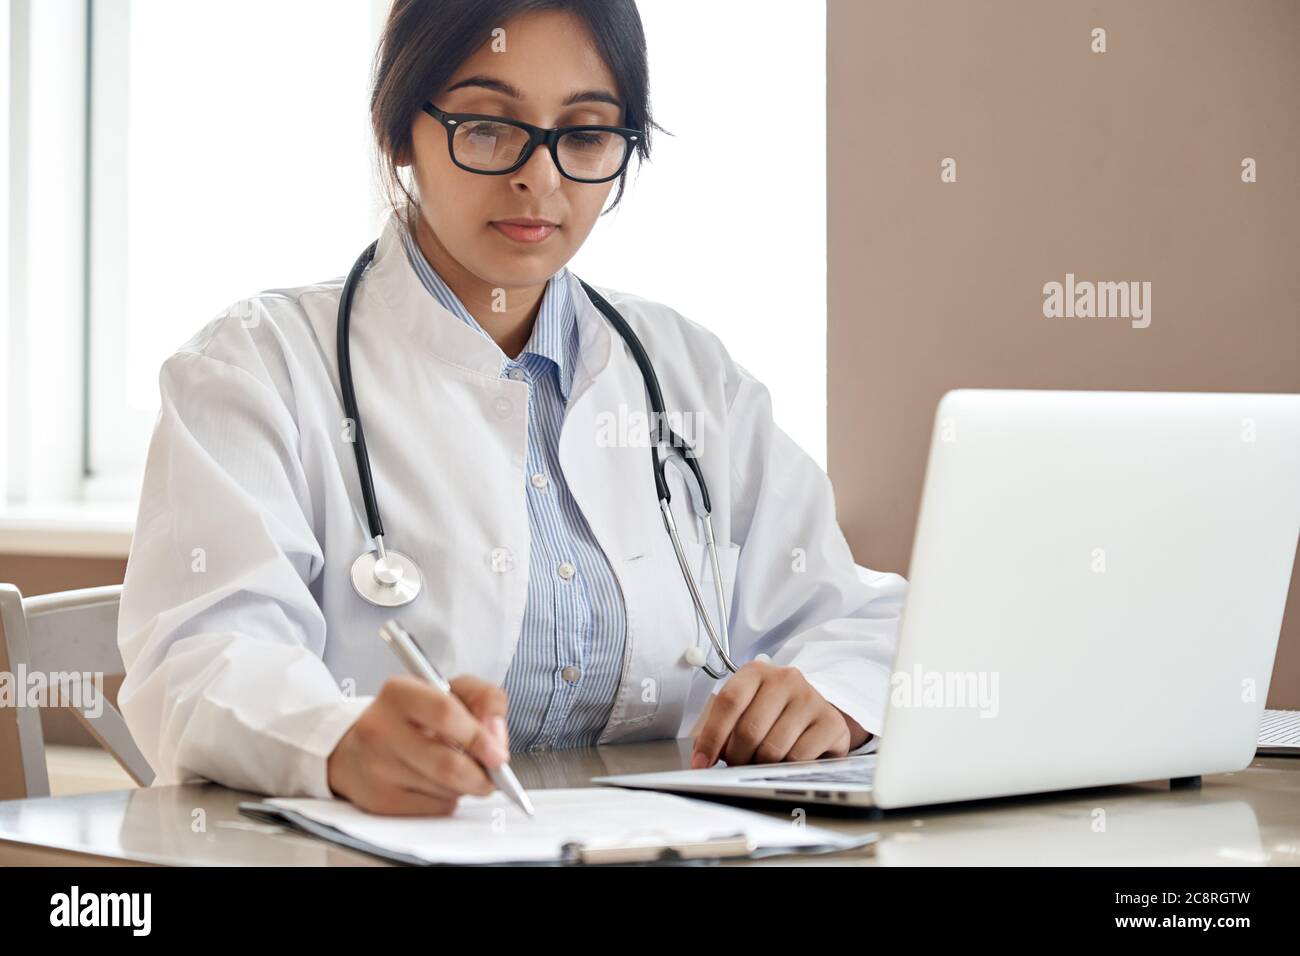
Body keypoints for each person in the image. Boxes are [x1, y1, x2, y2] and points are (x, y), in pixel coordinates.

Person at [117, 0, 906, 816]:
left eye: (586, 133)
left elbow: (860, 617)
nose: (542, 177)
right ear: (398, 132)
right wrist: (336, 740)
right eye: (489, 126)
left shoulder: (690, 374)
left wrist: (830, 695)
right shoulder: (256, 367)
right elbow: (199, 661)